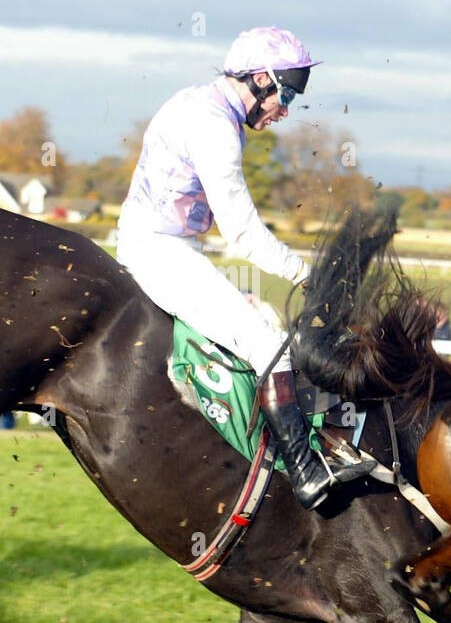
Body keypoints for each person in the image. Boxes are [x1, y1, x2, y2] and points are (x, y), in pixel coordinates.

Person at [115, 26, 371, 509]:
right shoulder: (214, 126)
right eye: (286, 93)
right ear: (258, 79)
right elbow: (243, 233)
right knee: (269, 345)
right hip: (160, 252)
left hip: (166, 246)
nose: (287, 109)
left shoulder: (200, 103)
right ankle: (306, 470)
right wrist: (304, 275)